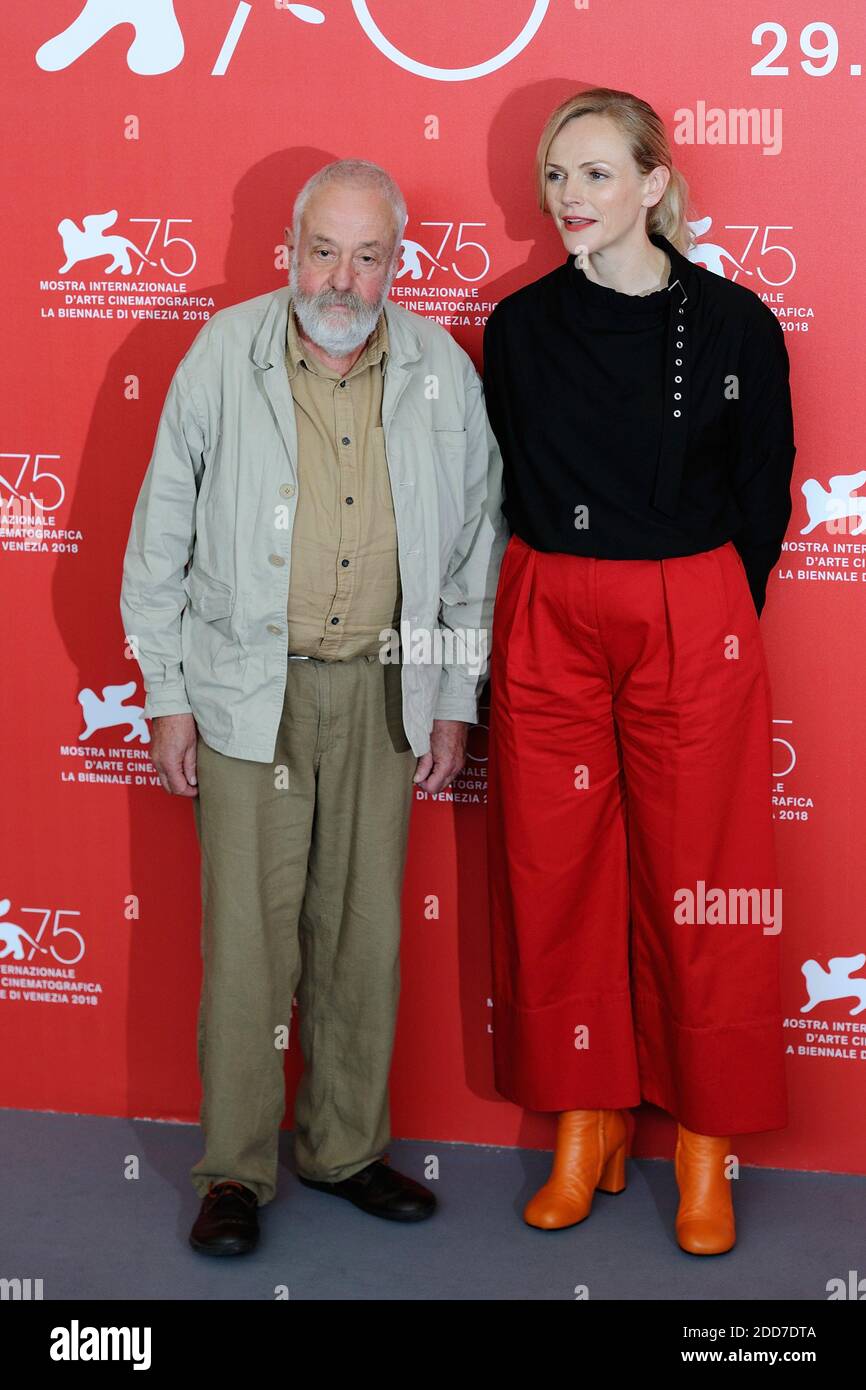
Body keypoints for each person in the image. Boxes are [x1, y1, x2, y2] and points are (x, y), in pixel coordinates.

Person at [120, 158, 507, 1255]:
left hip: (382, 692)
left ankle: (342, 1149)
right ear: (288, 249)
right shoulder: (220, 356)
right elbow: (158, 544)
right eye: (324, 250)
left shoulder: (439, 367)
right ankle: (235, 1172)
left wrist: (447, 699)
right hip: (251, 694)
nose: (343, 277)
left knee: (360, 936)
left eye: (369, 254)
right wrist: (167, 695)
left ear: (397, 261)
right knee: (247, 944)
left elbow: (472, 550)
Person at [481, 89, 796, 1255]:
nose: (568, 199)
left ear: (654, 183)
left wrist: (704, 603)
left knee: (701, 878)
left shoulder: (731, 324)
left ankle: (707, 1139)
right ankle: (588, 1118)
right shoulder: (514, 327)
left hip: (690, 608)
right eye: (555, 177)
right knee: (553, 871)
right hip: (548, 606)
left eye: (596, 174)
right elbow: (505, 479)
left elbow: (762, 485)